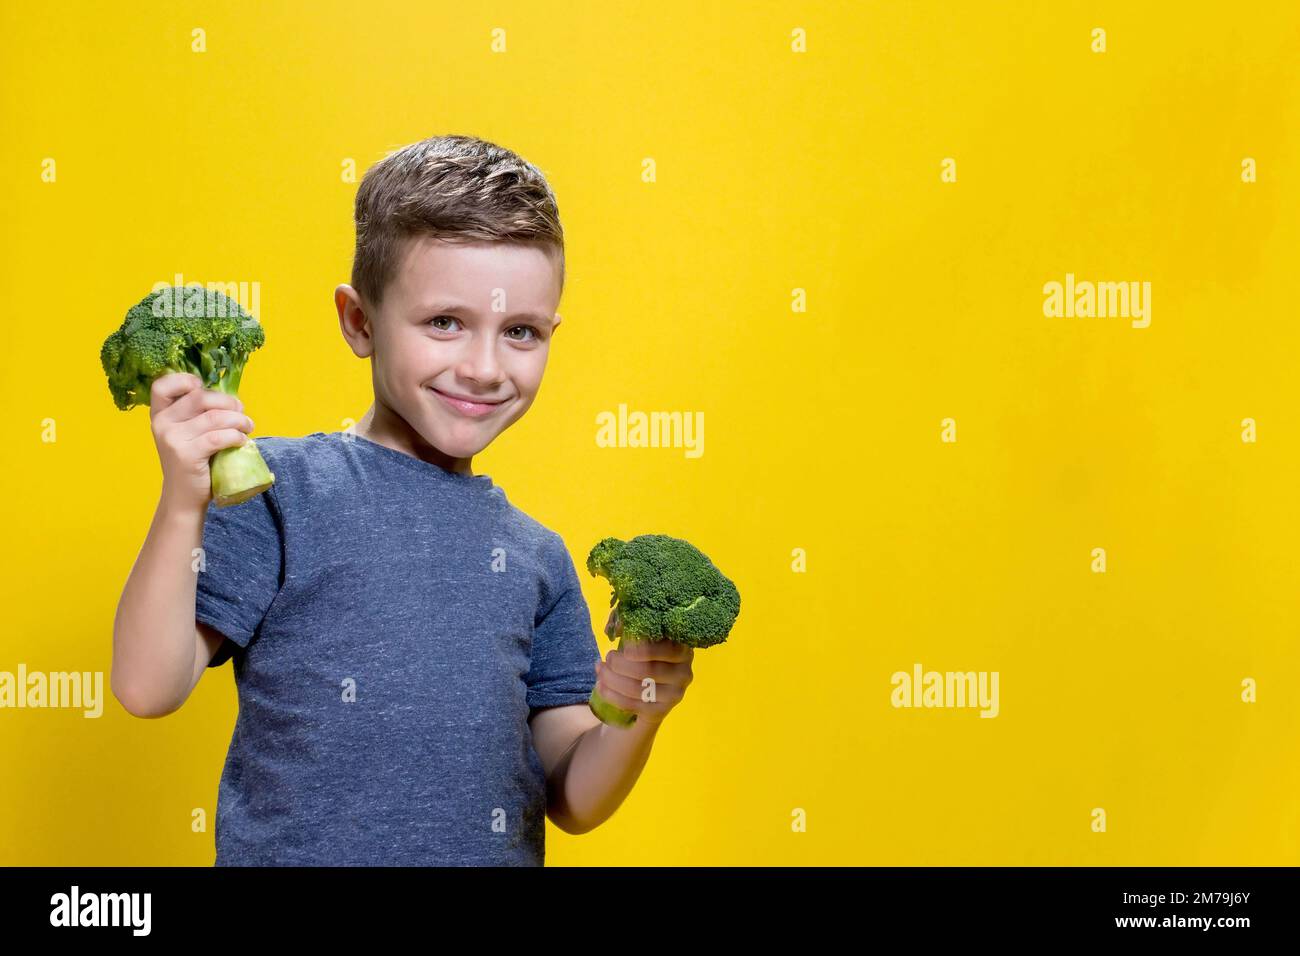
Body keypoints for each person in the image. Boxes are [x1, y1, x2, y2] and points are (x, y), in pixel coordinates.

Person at [109, 134, 696, 865]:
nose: (483, 368)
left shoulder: (537, 558)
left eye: (520, 332)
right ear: (359, 321)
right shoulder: (278, 492)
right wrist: (182, 500)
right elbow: (146, 684)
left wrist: (636, 714)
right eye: (444, 322)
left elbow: (571, 795)